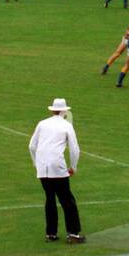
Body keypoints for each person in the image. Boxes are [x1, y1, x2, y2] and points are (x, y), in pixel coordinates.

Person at [28, 98, 84, 243]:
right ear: (64, 111)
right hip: (57, 165)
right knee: (67, 200)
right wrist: (73, 166)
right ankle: (73, 234)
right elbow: (74, 149)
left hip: (42, 167)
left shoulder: (42, 123)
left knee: (50, 199)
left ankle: (51, 233)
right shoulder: (66, 125)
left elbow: (32, 146)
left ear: (52, 110)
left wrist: (36, 163)